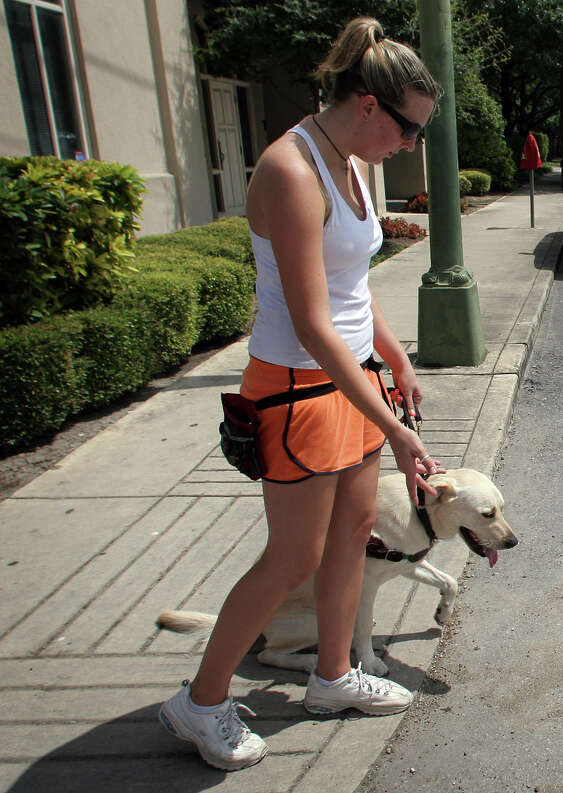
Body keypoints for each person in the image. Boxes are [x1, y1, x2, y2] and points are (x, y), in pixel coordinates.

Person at [158, 17, 443, 771]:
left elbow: (349, 288)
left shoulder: (350, 161)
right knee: (292, 557)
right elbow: (313, 324)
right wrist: (396, 426)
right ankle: (201, 701)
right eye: (411, 129)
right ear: (371, 105)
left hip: (351, 377)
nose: (412, 146)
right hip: (298, 386)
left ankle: (332, 675)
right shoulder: (290, 169)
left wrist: (393, 357)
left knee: (350, 537)